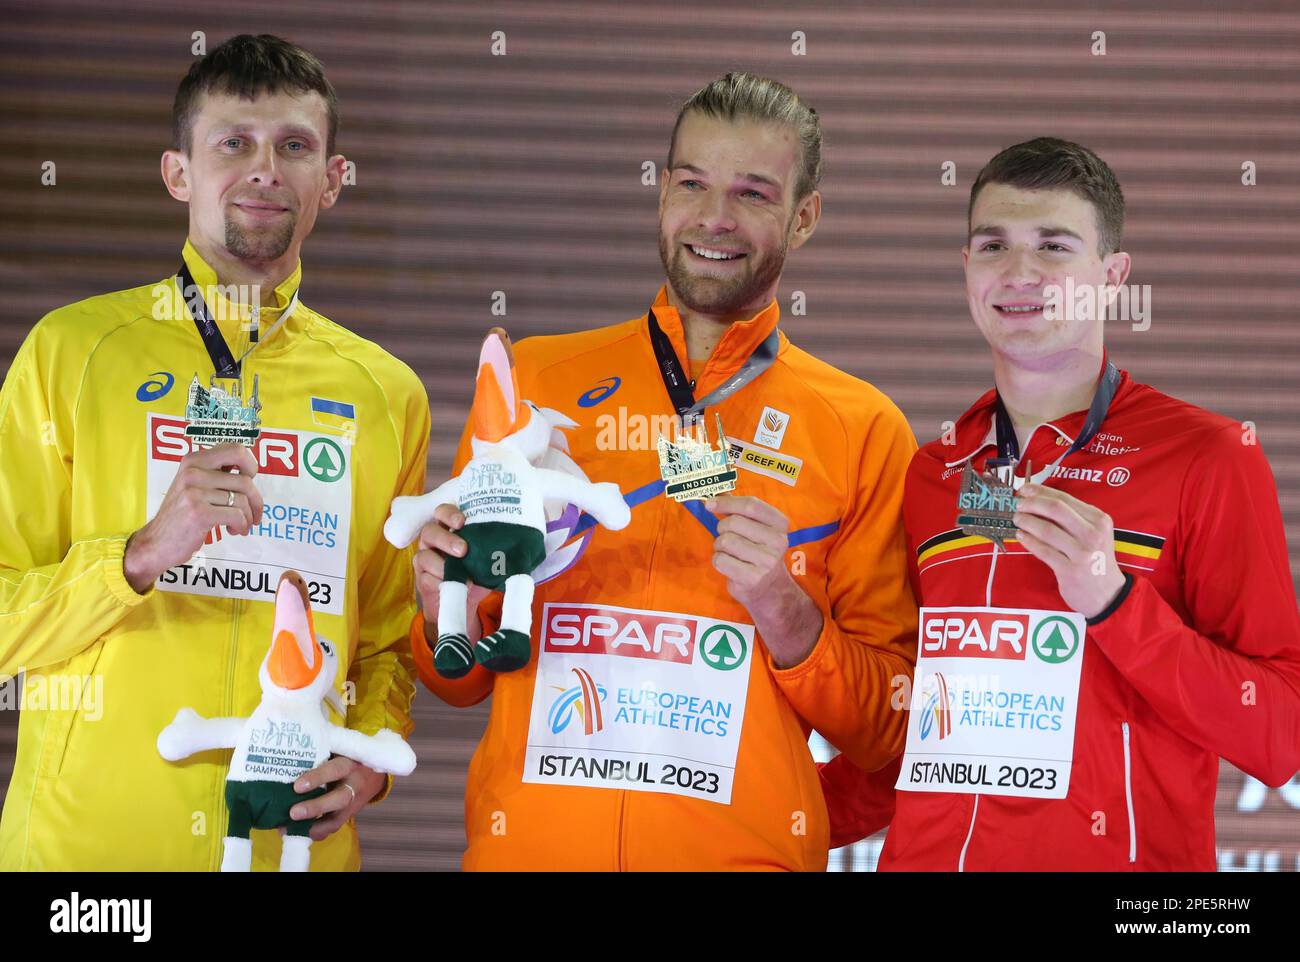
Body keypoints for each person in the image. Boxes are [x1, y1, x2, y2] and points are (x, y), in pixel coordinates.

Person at [408, 72, 918, 870]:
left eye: (753, 193)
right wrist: (447, 603)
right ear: (661, 192)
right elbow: (458, 684)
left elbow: (887, 726)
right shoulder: (537, 382)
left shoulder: (862, 428)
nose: (715, 219)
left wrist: (787, 616)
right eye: (692, 184)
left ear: (805, 216)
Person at [0, 34, 427, 870]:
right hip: (88, 862)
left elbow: (387, 644)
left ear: (332, 182)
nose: (265, 169)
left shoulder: (386, 393)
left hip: (287, 851)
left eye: (295, 147)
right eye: (234, 142)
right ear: (179, 174)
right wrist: (138, 556)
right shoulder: (74, 353)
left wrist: (371, 760)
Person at [819, 137, 1300, 870]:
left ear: (1112, 277)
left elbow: (1279, 732)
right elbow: (912, 741)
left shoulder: (1208, 457)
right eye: (993, 245)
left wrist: (1114, 604)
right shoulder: (935, 471)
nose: (1020, 272)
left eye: (1053, 245)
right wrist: (772, 812)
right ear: (967, 271)